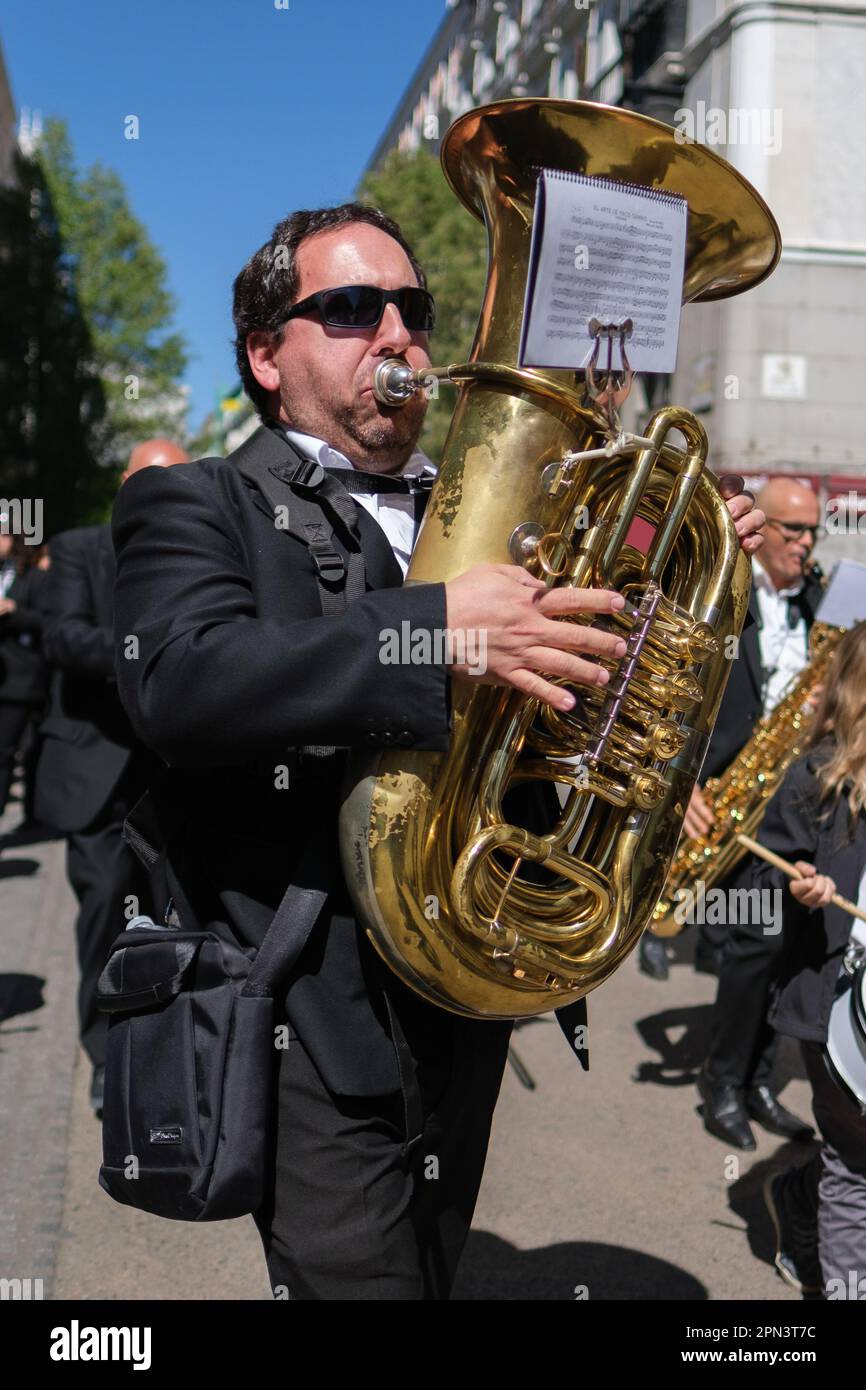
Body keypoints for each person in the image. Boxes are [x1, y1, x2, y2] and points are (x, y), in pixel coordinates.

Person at [110, 202, 766, 1300]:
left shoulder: (527, 515)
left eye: (411, 309)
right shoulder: (199, 501)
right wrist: (435, 631)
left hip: (466, 995)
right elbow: (179, 683)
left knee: (427, 1267)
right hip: (306, 1017)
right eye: (352, 309)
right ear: (266, 356)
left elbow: (580, 717)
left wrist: (679, 575)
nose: (399, 335)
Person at [640, 477, 822, 1151]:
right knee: (752, 950)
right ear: (761, 526)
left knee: (800, 947)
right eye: (792, 531)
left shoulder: (830, 599)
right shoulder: (719, 592)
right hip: (732, 801)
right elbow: (671, 692)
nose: (805, 545)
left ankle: (759, 1083)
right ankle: (722, 1083)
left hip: (807, 803)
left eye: (812, 533)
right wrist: (678, 780)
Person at [35, 438, 189, 1116]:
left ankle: (173, 1051)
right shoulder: (77, 550)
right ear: (124, 488)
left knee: (179, 918)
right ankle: (106, 1058)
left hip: (178, 775)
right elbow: (61, 637)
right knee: (105, 914)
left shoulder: (203, 553)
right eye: (151, 485)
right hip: (97, 773)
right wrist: (146, 658)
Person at [751, 624, 866, 1297]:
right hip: (835, 1009)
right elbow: (758, 880)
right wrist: (797, 882)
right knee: (857, 1166)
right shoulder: (816, 776)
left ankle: (799, 1191)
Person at [0, 535, 51, 827]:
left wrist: (13, 610)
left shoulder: (35, 578)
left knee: (6, 752)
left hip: (19, 680)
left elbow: (49, 622)